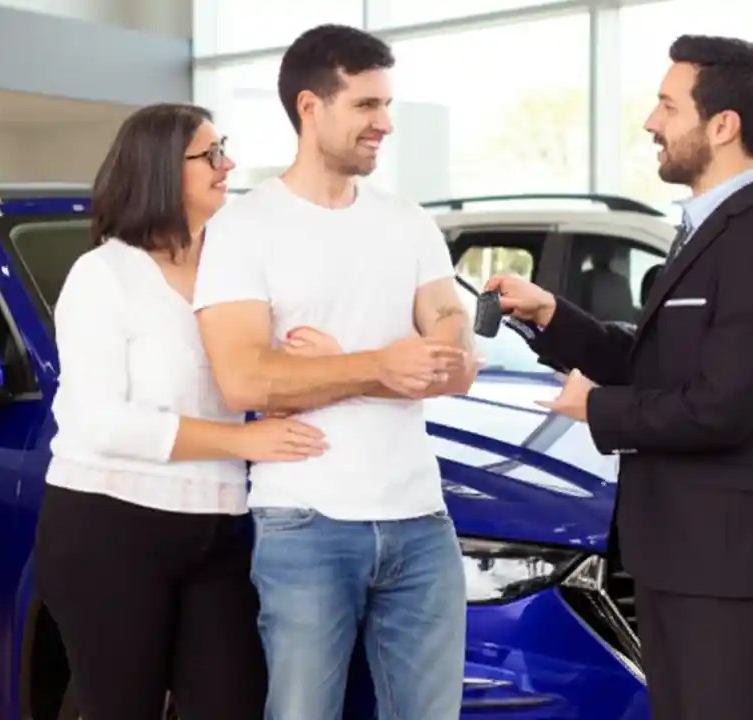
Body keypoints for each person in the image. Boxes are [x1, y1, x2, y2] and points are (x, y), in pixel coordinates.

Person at [486, 35, 753, 720]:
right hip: (688, 557)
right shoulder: (710, 231)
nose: (651, 123)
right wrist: (552, 315)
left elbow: (719, 411)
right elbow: (656, 362)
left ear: (722, 125)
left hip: (731, 568)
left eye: (667, 107)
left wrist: (599, 408)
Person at [190, 24, 480, 720]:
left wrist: (337, 369)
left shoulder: (407, 222)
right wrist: (383, 363)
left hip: (420, 519)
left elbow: (458, 359)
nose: (384, 124)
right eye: (366, 106)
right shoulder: (244, 228)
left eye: (387, 106)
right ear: (310, 107)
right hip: (307, 520)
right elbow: (245, 380)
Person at [33, 103, 331, 720]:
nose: (229, 164)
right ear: (161, 171)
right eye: (211, 154)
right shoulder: (104, 276)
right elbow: (100, 423)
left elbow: (256, 375)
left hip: (217, 525)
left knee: (233, 703)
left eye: (225, 148)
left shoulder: (234, 272)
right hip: (110, 528)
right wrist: (243, 442)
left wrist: (317, 359)